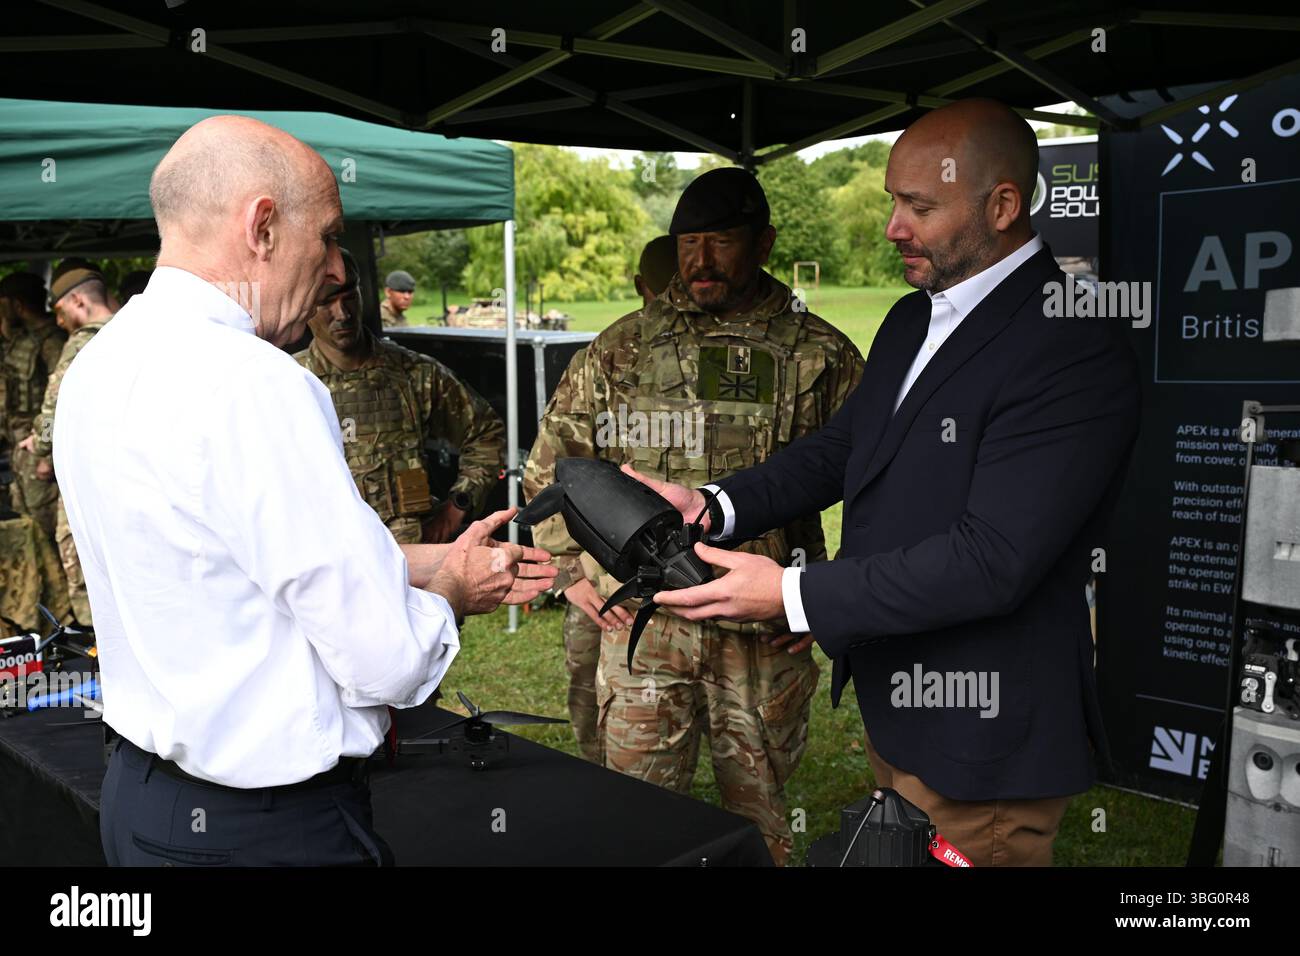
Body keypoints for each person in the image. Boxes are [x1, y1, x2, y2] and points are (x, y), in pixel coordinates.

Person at [625, 100, 1141, 867]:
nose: (894, 227)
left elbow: (993, 560)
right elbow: (843, 447)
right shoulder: (910, 318)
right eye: (892, 201)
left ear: (1003, 205)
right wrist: (717, 504)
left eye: (920, 207)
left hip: (982, 742)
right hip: (900, 706)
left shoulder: (1072, 340)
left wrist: (795, 594)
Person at [54, 115, 556, 866]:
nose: (331, 270)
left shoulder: (99, 366)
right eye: (324, 237)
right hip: (262, 829)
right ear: (262, 225)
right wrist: (449, 591)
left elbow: (227, 565)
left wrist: (427, 559)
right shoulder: (257, 384)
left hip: (142, 798)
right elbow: (384, 660)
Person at [525, 169, 864, 865]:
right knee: (636, 820)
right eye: (688, 243)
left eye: (721, 242)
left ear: (764, 242)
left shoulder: (820, 353)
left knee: (763, 820)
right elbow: (554, 462)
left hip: (762, 631)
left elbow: (880, 481)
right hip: (647, 629)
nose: (700, 261)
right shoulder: (623, 347)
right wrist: (568, 570)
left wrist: (826, 601)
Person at [548, 233, 682, 765]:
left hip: (690, 583)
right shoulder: (607, 357)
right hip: (606, 575)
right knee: (592, 702)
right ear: (641, 290)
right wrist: (567, 573)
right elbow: (551, 465)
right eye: (666, 296)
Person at [296, 247, 505, 544]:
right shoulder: (289, 383)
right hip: (332, 559)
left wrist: (459, 504)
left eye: (349, 297)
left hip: (414, 560)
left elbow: (486, 431)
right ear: (304, 306)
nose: (342, 313)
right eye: (326, 302)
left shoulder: (413, 374)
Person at [18, 261, 117, 626]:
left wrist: (41, 449)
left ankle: (92, 634)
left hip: (89, 469)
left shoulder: (83, 341)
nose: (58, 323)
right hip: (130, 466)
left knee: (76, 550)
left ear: (78, 301)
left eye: (60, 313)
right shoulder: (136, 330)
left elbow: (52, 407)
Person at [0, 271, 66, 539]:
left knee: (44, 529)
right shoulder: (18, 340)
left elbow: (58, 403)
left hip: (37, 450)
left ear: (18, 306)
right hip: (19, 449)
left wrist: (46, 454)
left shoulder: (52, 343)